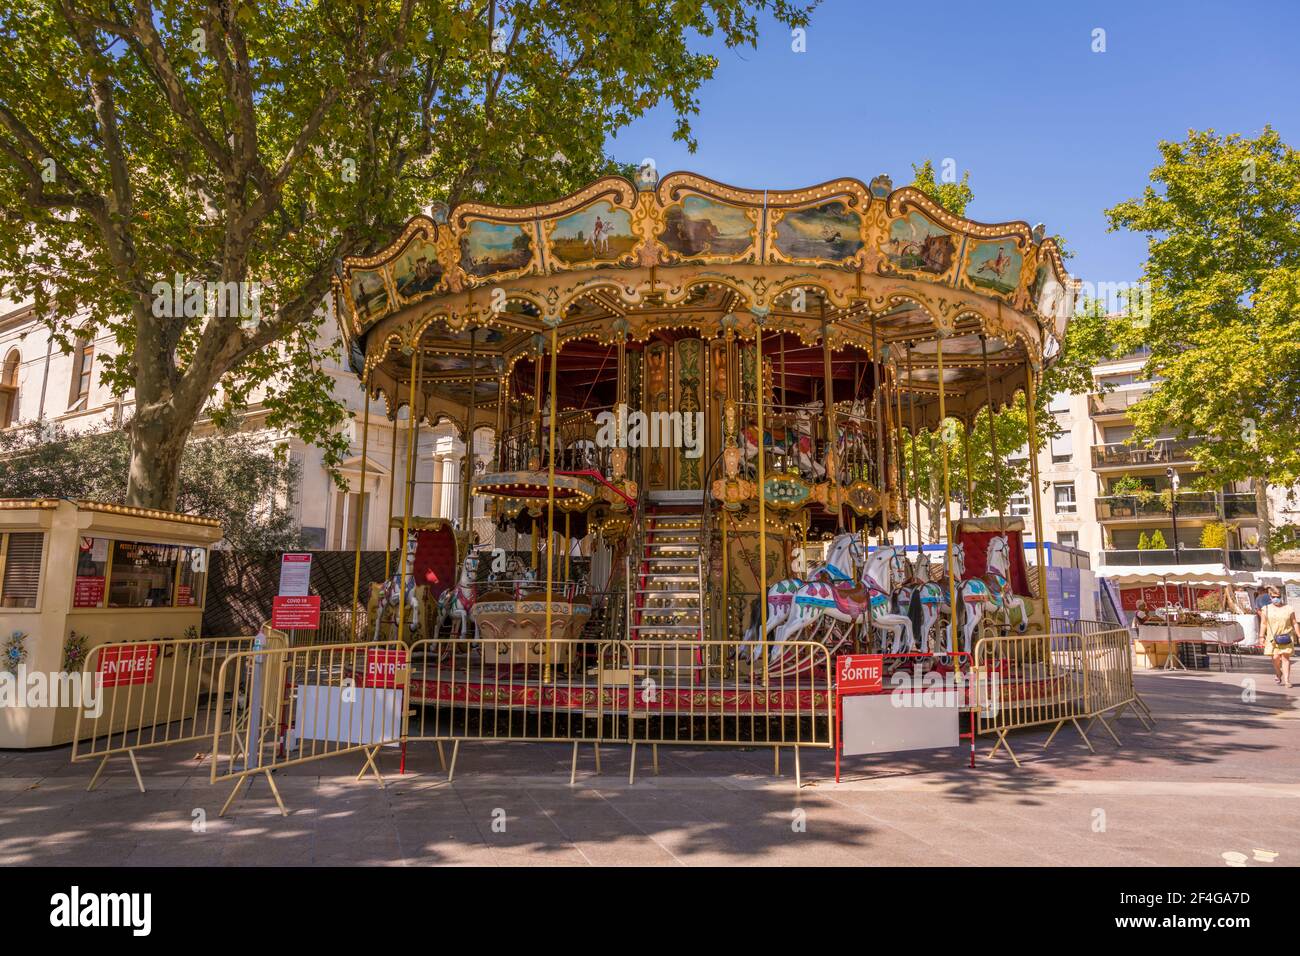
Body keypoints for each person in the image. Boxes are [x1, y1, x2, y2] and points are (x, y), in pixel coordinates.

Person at [1260, 587, 1299, 688]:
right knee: (1275, 657)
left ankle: (1287, 680)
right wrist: (1261, 636)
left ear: (1281, 597)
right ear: (1270, 597)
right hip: (1272, 638)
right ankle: (1278, 673)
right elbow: (1263, 624)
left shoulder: (1288, 608)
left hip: (1286, 636)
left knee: (1285, 658)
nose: (1276, 599)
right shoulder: (1266, 609)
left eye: (1278, 597)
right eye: (1274, 597)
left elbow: (1294, 623)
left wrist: (1299, 635)